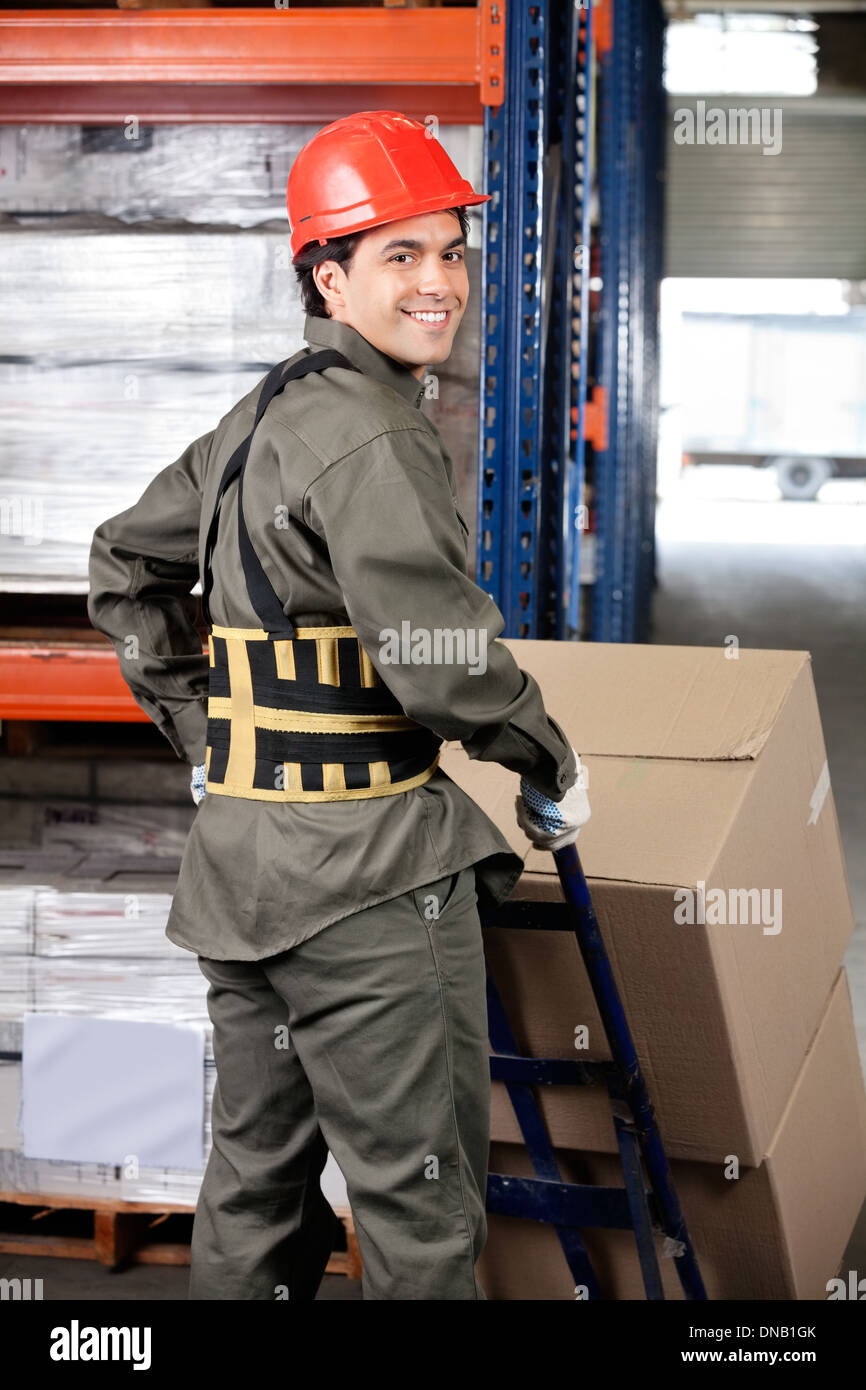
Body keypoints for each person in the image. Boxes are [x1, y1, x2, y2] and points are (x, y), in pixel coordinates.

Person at [87, 110, 590, 1301]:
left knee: (255, 1189)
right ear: (327, 275)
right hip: (365, 890)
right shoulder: (374, 436)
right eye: (398, 256)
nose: (439, 282)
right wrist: (545, 760)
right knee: (419, 1210)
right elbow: (442, 666)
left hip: (241, 871)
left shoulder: (262, 413)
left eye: (450, 250)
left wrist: (211, 737)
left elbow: (123, 561)